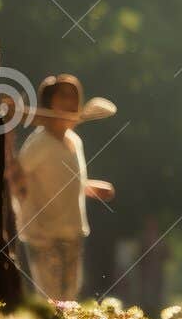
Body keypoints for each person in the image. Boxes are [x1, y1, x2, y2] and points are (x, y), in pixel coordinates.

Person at [11, 74, 115, 301]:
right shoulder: (39, 143)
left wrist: (92, 188)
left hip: (73, 232)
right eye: (65, 96)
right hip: (44, 236)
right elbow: (16, 179)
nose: (72, 102)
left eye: (76, 97)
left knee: (69, 300)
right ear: (49, 104)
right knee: (52, 301)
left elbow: (68, 181)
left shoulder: (74, 141)